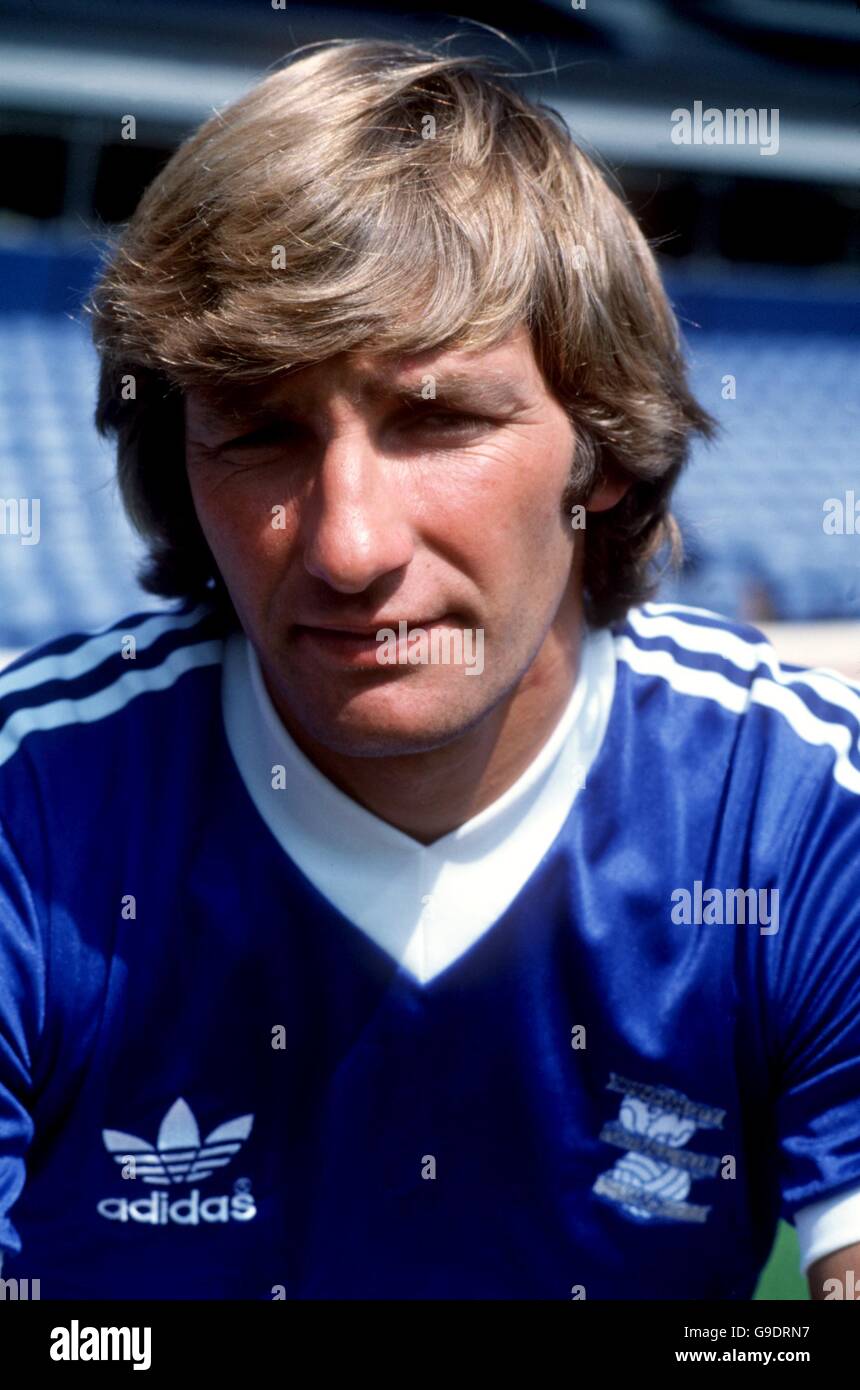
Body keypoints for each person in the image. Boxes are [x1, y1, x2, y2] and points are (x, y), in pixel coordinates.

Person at [1, 38, 858, 1300]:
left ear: (600, 451)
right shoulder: (31, 810)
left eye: (440, 420)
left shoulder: (792, 810)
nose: (348, 546)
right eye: (257, 429)